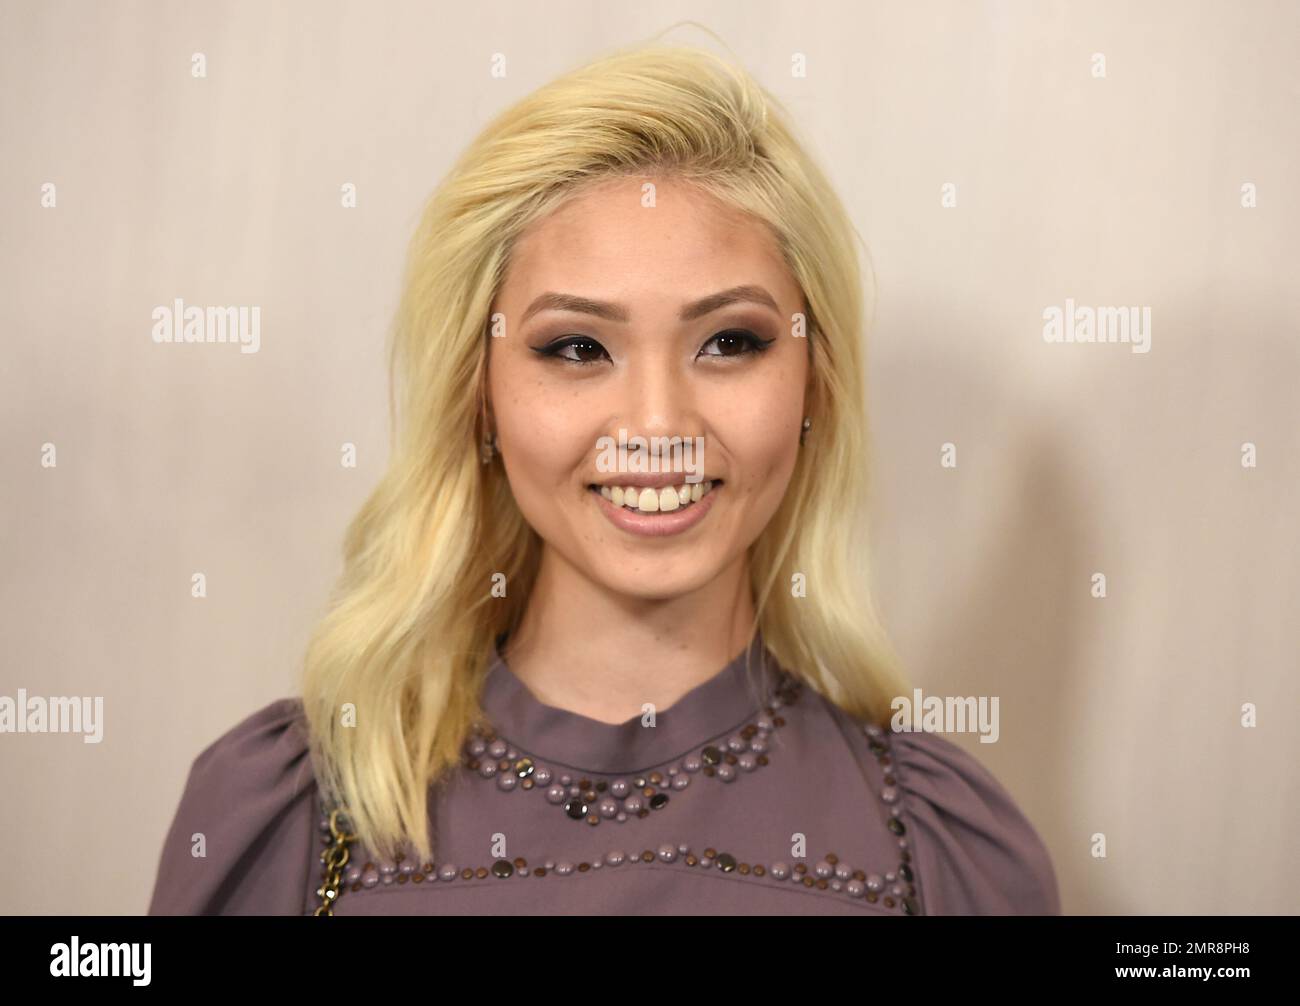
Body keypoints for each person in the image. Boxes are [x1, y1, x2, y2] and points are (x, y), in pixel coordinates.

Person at [147, 40, 1059, 916]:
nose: (658, 426)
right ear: (480, 392)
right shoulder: (289, 814)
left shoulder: (935, 848)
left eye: (730, 342)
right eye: (577, 347)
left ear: (814, 384)